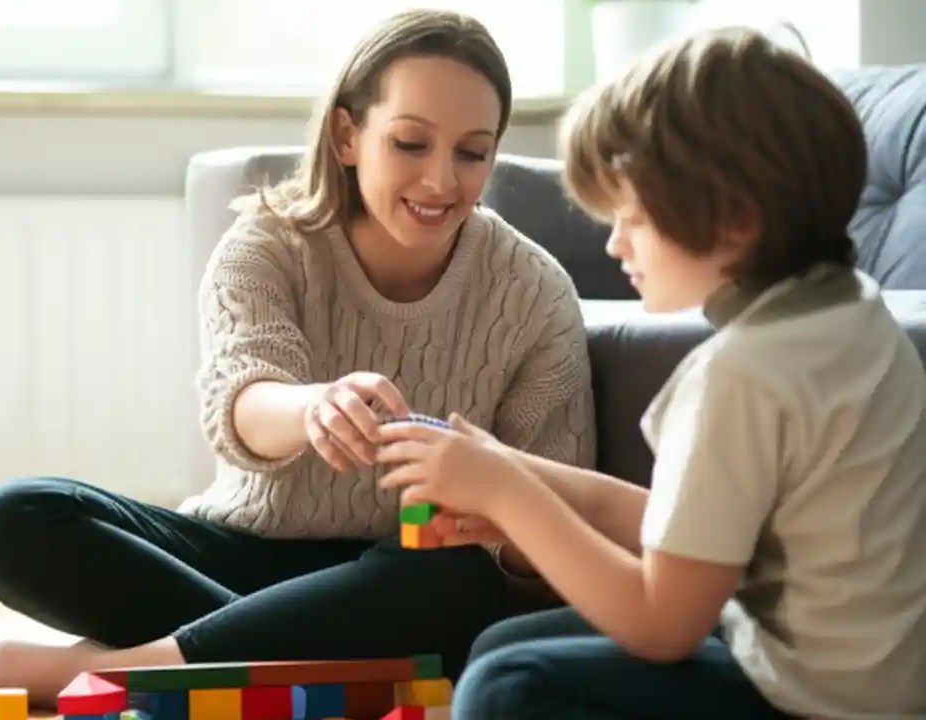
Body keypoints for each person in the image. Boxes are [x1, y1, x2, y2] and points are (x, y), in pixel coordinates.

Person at [0, 8, 596, 709]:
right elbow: (241, 402)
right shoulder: (267, 247)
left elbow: (548, 536)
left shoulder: (533, 292)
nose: (440, 181)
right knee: (14, 521)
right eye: (410, 143)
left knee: (458, 583)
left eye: (471, 152)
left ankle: (134, 667)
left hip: (398, 579)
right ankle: (283, 661)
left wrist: (500, 504)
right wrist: (312, 406)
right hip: (248, 551)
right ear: (348, 135)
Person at [377, 25, 926, 719]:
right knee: (505, 644)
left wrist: (508, 493)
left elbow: (663, 624)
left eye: (633, 218)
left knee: (506, 685)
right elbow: (694, 539)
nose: (614, 244)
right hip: (857, 676)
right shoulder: (850, 315)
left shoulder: (741, 375)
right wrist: (509, 470)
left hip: (813, 700)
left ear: (733, 221)